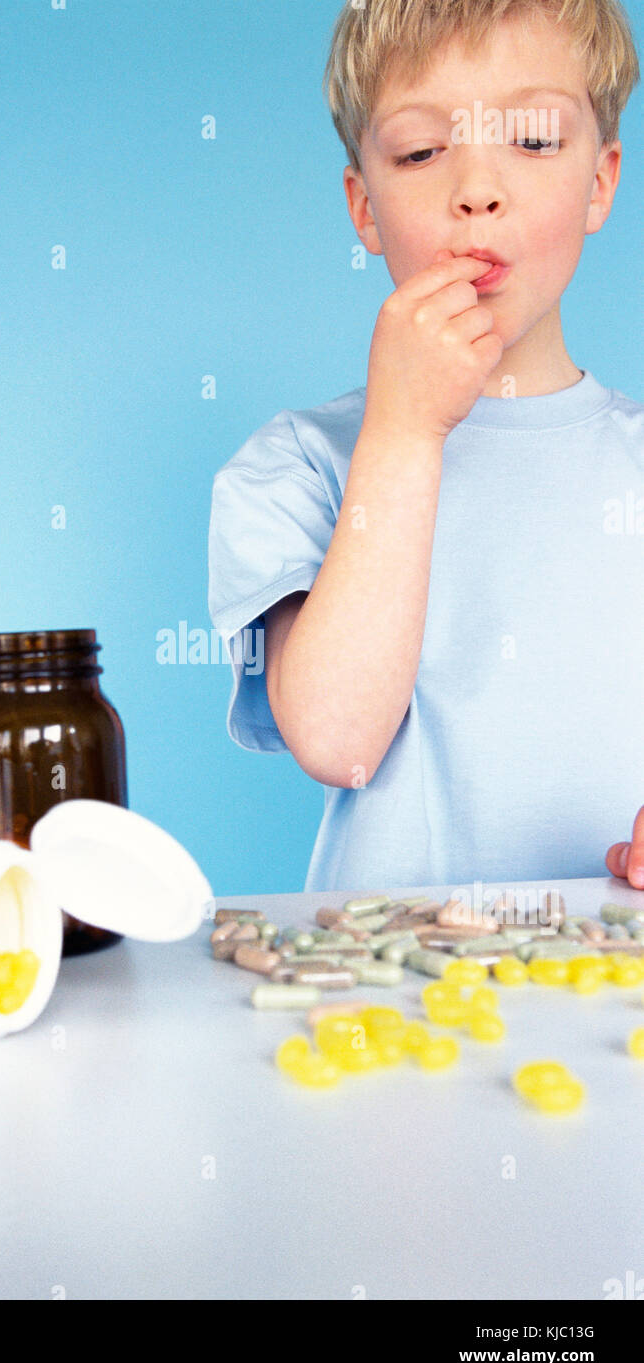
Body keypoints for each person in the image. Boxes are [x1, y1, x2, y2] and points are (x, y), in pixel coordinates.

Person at [207, 0, 644, 892]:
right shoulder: (296, 466)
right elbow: (335, 740)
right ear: (364, 208)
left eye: (530, 140)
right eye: (420, 151)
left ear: (599, 183)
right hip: (396, 1015)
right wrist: (406, 430)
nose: (476, 189)